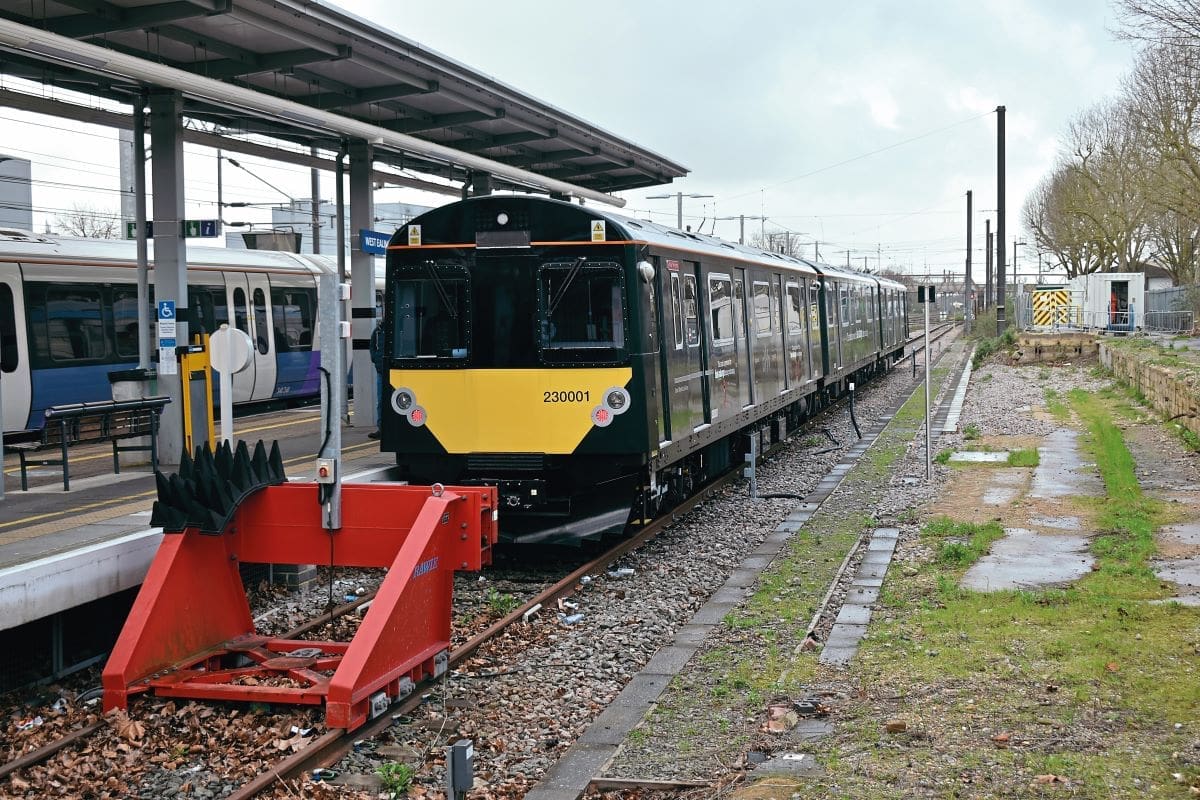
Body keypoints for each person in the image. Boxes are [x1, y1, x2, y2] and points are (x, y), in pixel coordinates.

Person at [367, 324, 385, 439]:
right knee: (381, 401)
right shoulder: (378, 331)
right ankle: (381, 429)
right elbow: (372, 347)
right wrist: (375, 358)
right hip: (381, 371)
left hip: (395, 370)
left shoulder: (400, 327)